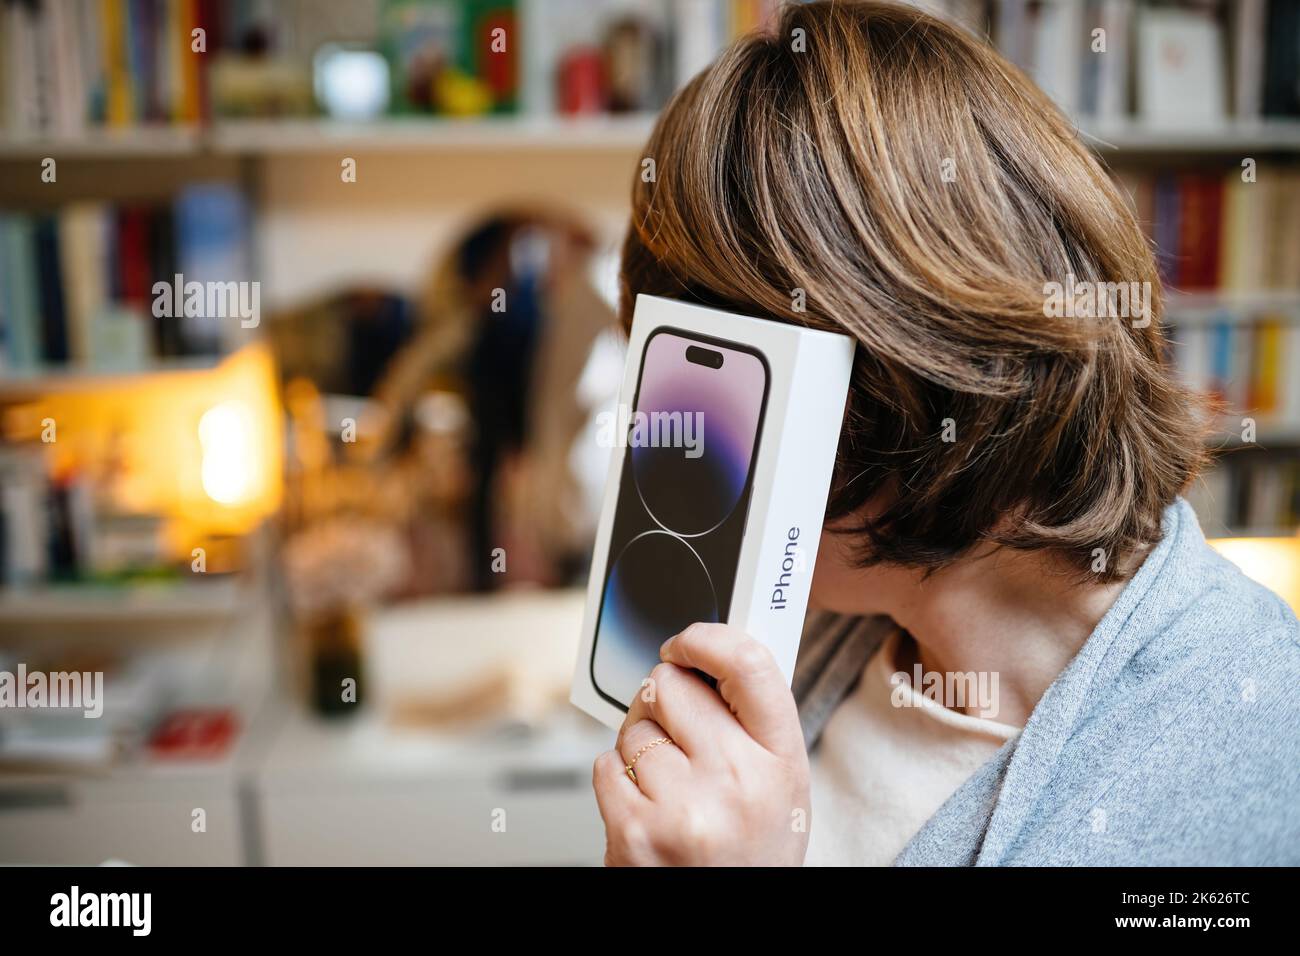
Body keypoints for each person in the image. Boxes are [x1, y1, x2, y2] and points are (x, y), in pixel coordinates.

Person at [592, 0, 1300, 866]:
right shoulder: (812, 632)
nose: (668, 450)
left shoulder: (1256, 745)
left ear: (888, 391)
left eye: (699, 409)